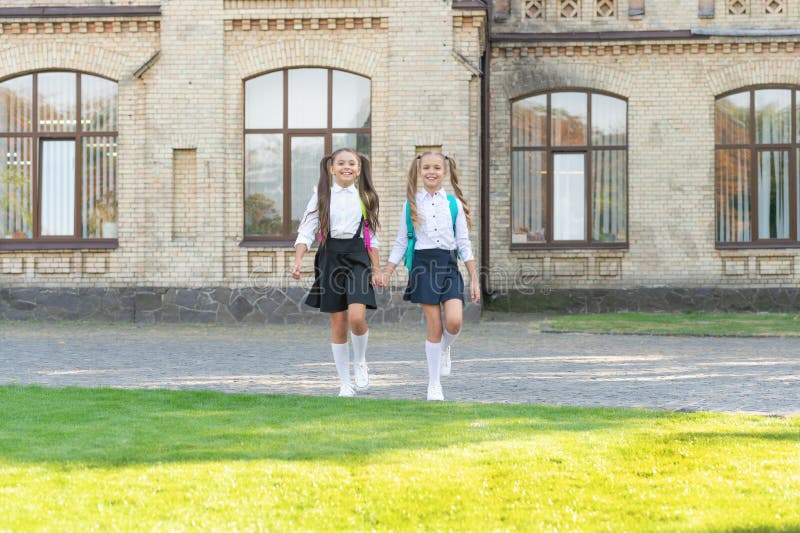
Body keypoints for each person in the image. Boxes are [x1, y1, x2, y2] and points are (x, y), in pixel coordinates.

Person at [379, 151, 480, 401]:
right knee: (434, 325)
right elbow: (402, 241)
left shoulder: (453, 204)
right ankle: (434, 384)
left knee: (454, 321)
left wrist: (475, 278)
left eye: (436, 168)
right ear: (419, 171)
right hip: (423, 267)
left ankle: (444, 349)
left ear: (444, 172)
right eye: (426, 168)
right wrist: (387, 270)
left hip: (448, 265)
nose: (431, 172)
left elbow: (464, 243)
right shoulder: (411, 203)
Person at [291, 148, 381, 397]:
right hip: (330, 257)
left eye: (351, 163)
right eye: (340, 163)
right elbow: (306, 230)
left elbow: (372, 237)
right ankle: (344, 383)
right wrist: (298, 259)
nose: (346, 167)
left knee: (356, 318)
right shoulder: (322, 196)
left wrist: (377, 269)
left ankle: (360, 361)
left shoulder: (367, 197)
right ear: (331, 168)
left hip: (357, 257)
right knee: (339, 323)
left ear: (358, 169)